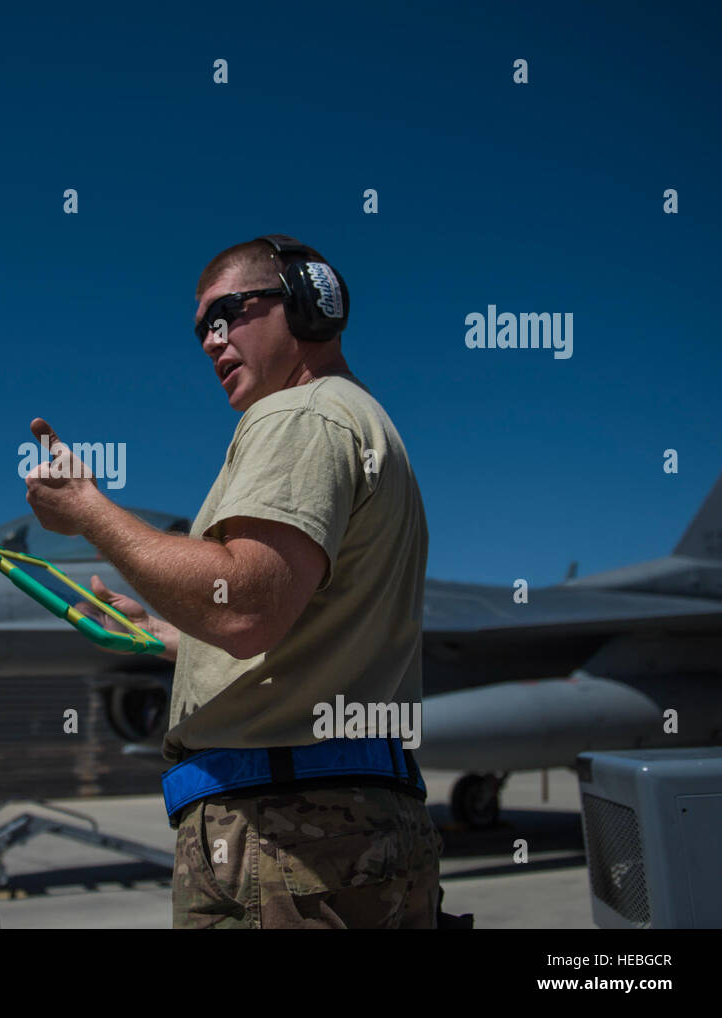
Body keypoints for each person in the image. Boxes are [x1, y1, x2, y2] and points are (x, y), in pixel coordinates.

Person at [24, 235, 441, 928]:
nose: (213, 343)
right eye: (201, 332)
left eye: (230, 314)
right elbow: (296, 632)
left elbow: (247, 609)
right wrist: (171, 638)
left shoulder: (296, 416)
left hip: (283, 837)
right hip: (342, 828)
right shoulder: (358, 420)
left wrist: (89, 511)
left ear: (311, 304)